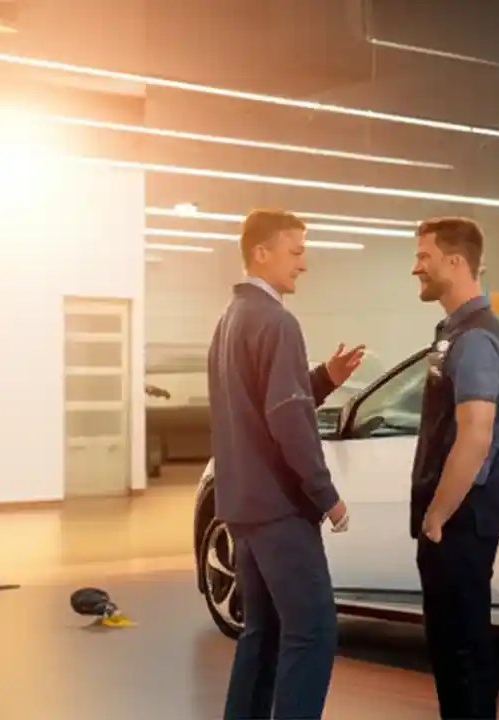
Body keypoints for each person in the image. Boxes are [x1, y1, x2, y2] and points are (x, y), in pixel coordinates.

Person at [208, 209, 366, 720]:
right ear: (262, 252)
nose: (304, 262)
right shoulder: (277, 321)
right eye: (295, 251)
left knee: (265, 633)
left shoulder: (230, 320)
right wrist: (328, 497)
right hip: (280, 512)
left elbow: (265, 403)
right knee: (313, 631)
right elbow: (288, 423)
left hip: (243, 508)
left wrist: (322, 378)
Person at [408, 216, 499, 719]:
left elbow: (475, 433)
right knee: (451, 646)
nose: (416, 268)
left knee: (463, 648)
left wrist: (437, 515)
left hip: (462, 517)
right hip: (457, 515)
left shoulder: (474, 340)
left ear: (455, 262)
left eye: (423, 257)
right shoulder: (454, 333)